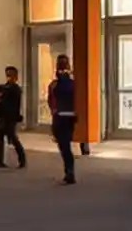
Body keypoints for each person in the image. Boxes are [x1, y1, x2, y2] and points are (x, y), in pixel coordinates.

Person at [47, 54, 77, 185]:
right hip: (68, 116)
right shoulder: (73, 83)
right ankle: (69, 171)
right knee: (65, 145)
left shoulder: (55, 84)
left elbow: (51, 100)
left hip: (61, 116)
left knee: (64, 145)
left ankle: (69, 171)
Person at [0, 66, 26, 169]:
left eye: (11, 75)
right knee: (0, 136)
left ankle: (22, 159)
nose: (9, 77)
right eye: (7, 74)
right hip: (3, 115)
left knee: (12, 137)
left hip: (11, 116)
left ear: (16, 76)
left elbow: (13, 104)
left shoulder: (15, 89)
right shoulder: (6, 87)